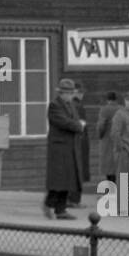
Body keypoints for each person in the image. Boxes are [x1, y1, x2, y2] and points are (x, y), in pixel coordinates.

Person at [43, 77, 85, 218]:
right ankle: (49, 205)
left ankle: (61, 210)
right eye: (70, 93)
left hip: (70, 147)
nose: (72, 95)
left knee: (68, 180)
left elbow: (73, 121)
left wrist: (77, 124)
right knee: (59, 180)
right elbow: (65, 122)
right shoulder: (54, 105)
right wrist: (79, 126)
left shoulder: (70, 105)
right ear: (63, 93)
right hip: (59, 149)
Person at [108, 90, 129, 183]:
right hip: (124, 152)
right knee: (123, 181)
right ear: (126, 101)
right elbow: (115, 133)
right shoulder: (120, 114)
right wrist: (121, 147)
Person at [97, 91, 120, 184]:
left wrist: (100, 135)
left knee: (108, 167)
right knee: (117, 165)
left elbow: (101, 125)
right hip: (119, 140)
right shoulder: (121, 109)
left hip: (107, 140)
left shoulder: (105, 110)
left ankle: (110, 189)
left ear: (108, 99)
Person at [74, 84, 90, 189]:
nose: (82, 95)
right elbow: (82, 124)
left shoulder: (70, 104)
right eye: (80, 92)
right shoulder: (79, 106)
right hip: (80, 139)